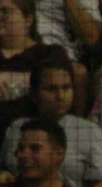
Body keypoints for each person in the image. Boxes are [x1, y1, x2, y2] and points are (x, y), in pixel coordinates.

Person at [1, 60, 102, 187]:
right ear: (34, 94)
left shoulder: (89, 130)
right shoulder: (16, 128)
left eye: (66, 88)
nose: (60, 96)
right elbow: (6, 171)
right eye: (51, 89)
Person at [0, 0, 72, 129]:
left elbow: (53, 83)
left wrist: (7, 79)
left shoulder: (51, 53)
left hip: (36, 132)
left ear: (28, 20)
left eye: (5, 11)